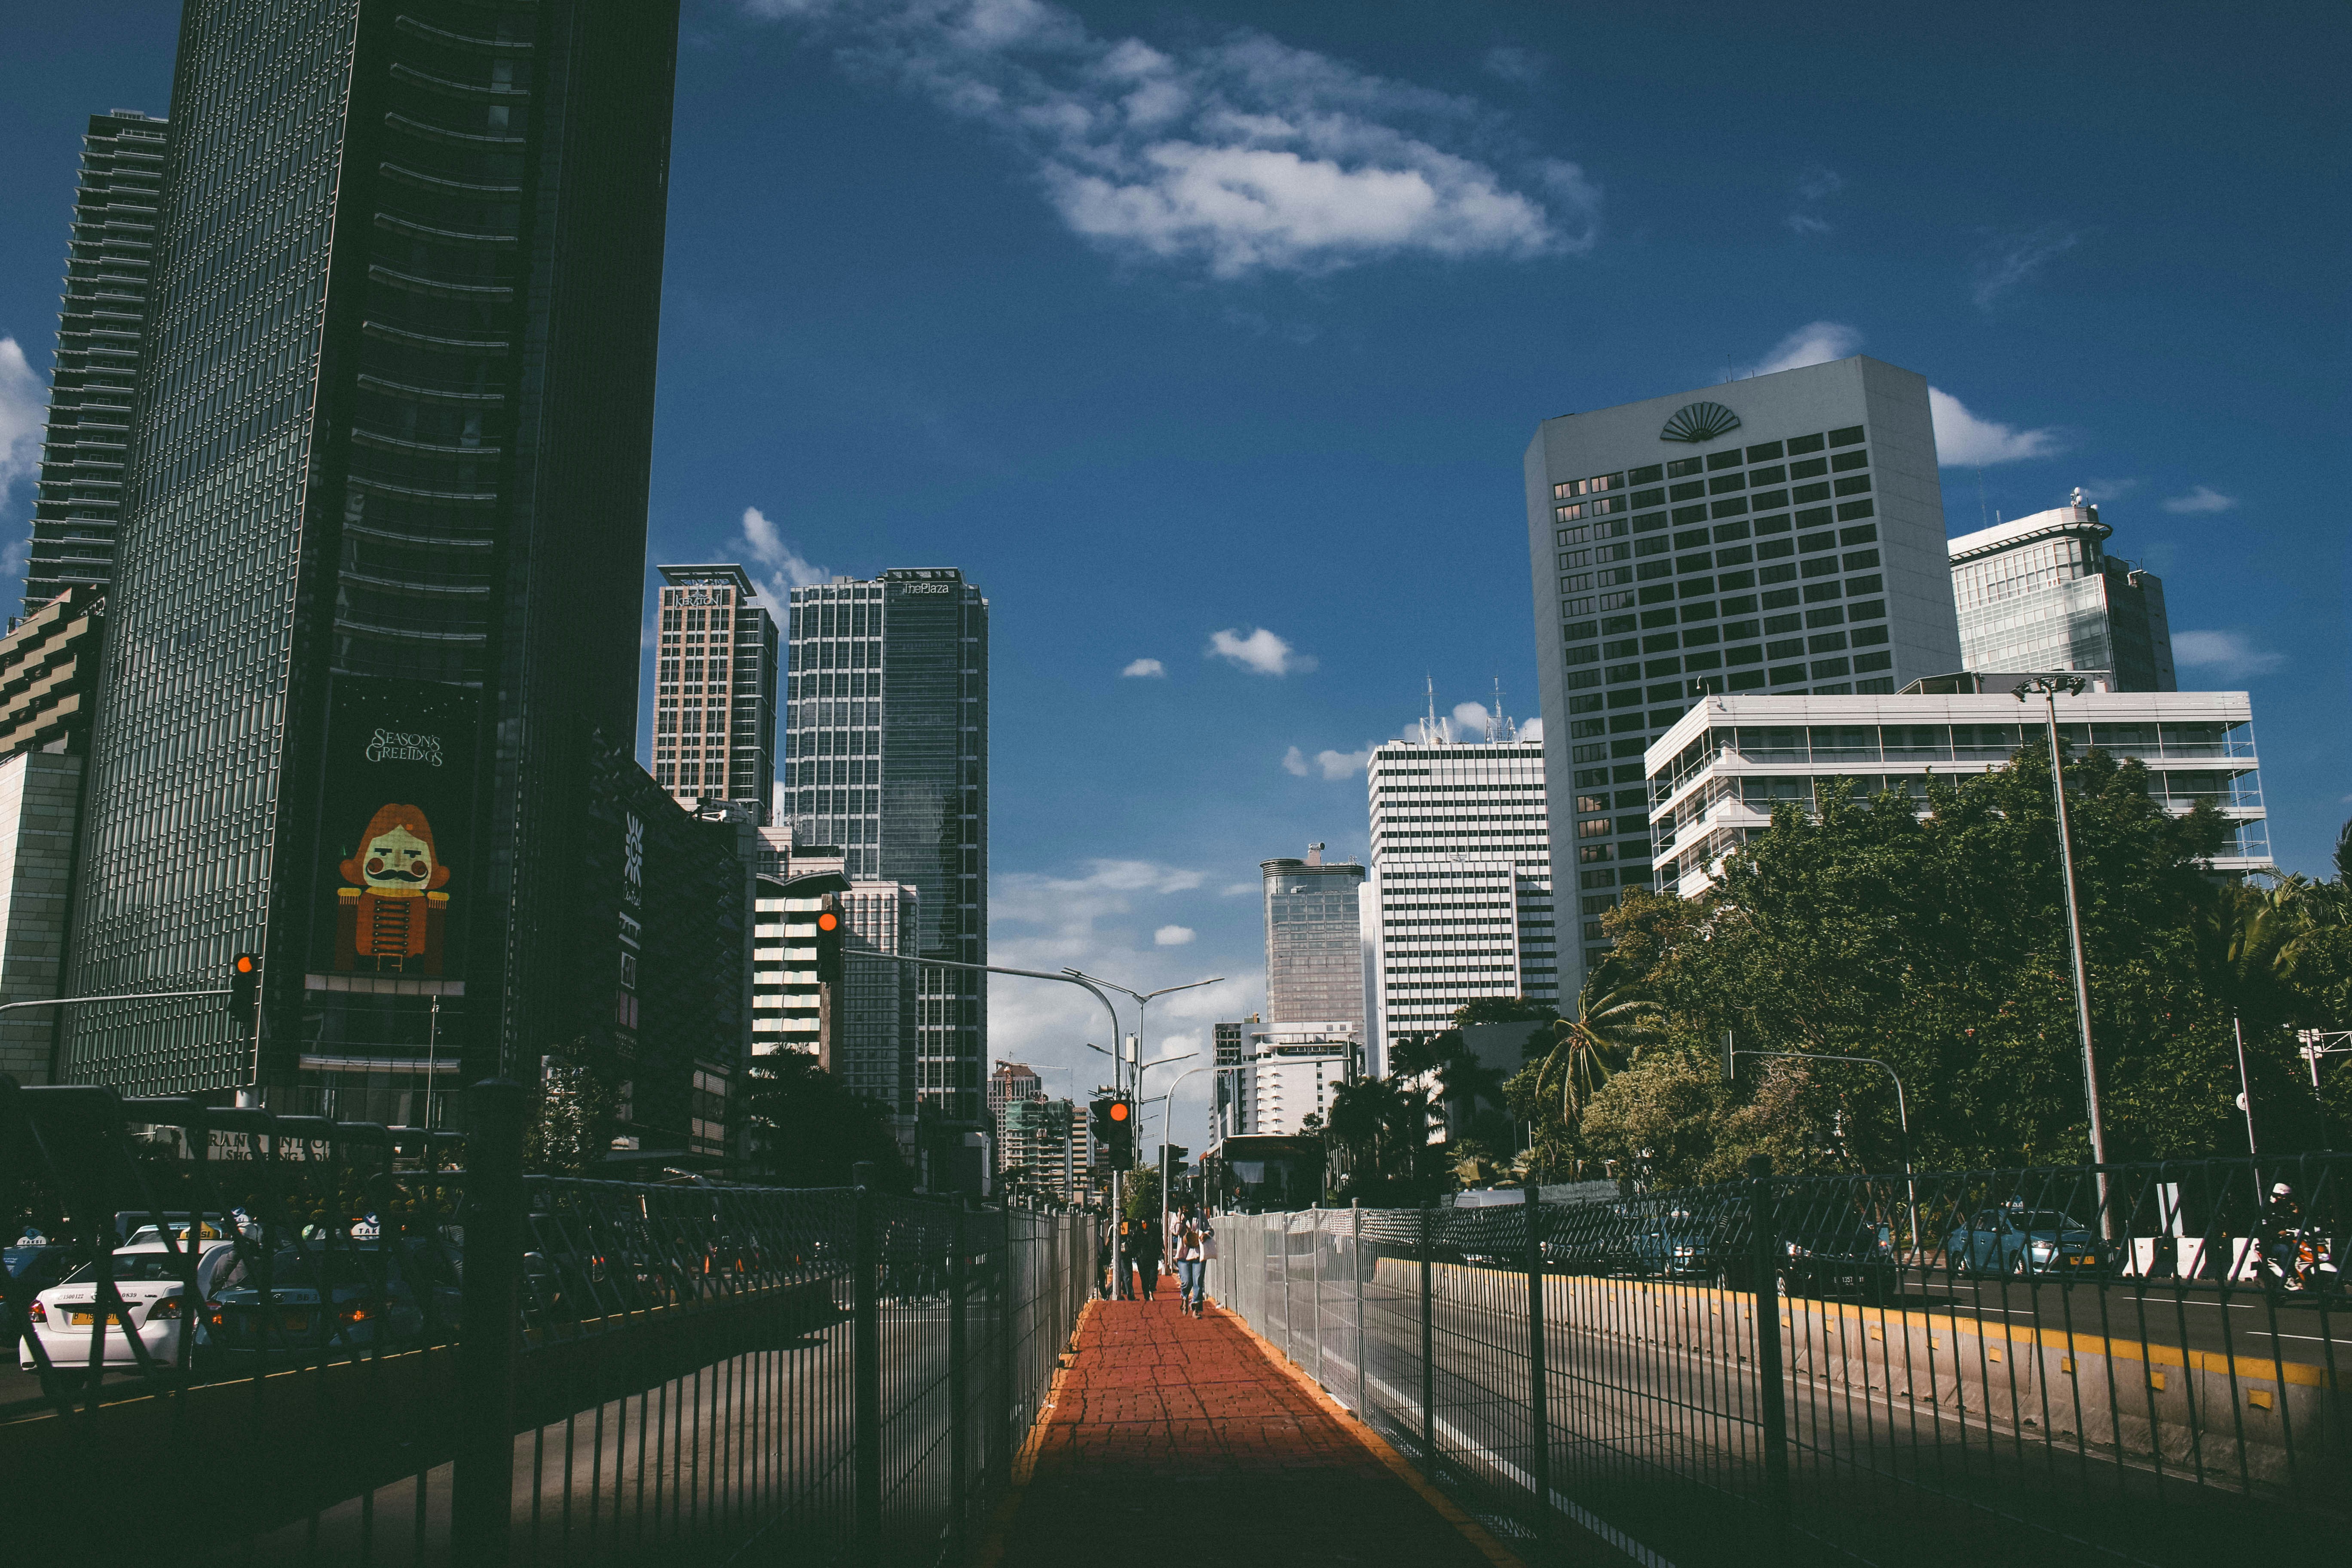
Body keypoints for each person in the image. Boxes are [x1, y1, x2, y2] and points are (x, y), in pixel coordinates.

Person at [1169, 1201, 1211, 1317]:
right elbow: (1176, 1231)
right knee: (1187, 1281)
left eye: (1187, 1208)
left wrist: (1206, 1235)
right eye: (1183, 1209)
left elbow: (1209, 1229)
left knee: (1198, 1281)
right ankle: (1185, 1297)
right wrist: (1179, 1218)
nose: (1186, 1211)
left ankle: (1196, 1308)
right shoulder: (1178, 1216)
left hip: (1197, 1252)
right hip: (1183, 1253)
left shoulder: (1199, 1214)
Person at [1130, 1212, 1162, 1302]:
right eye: (1144, 1223)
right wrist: (1137, 1255)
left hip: (1153, 1258)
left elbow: (1160, 1243)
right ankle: (1146, 1295)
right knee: (1144, 1279)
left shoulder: (1154, 1233)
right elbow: (1134, 1246)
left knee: (1153, 1277)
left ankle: (1152, 1289)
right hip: (1142, 1260)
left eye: (1147, 1223)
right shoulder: (1138, 1234)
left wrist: (1158, 1253)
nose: (1146, 1225)